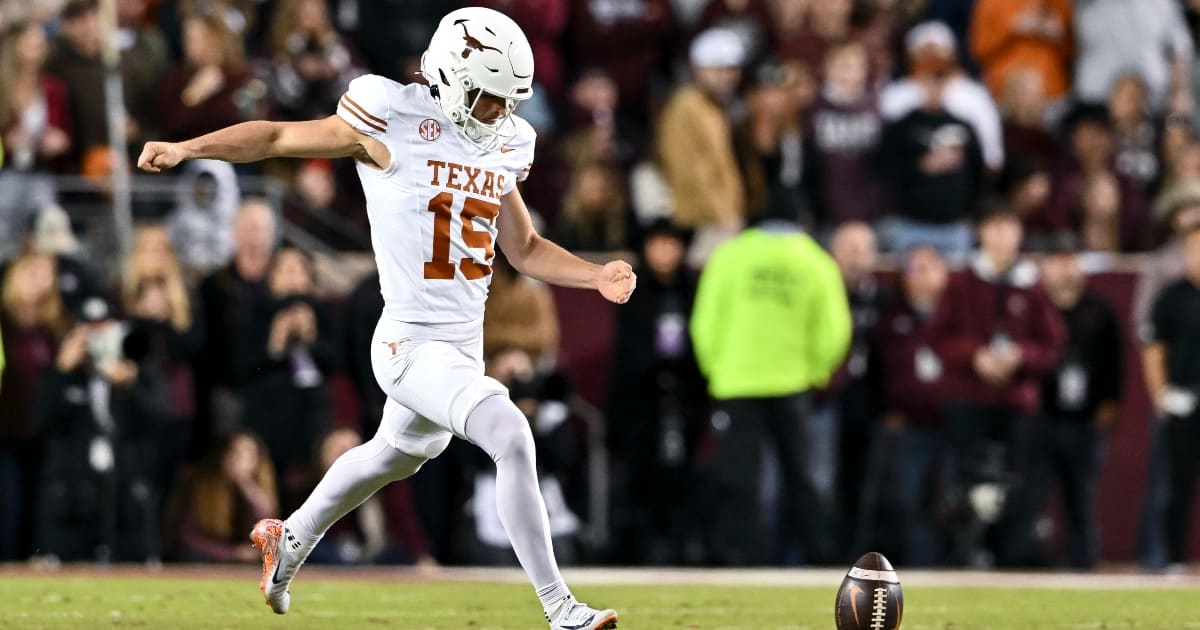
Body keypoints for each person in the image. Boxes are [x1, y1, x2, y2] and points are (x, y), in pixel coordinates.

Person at [137, 8, 631, 629]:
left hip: (460, 346)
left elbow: (524, 248)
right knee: (510, 433)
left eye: (508, 101)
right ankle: (561, 608)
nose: (500, 114)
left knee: (393, 454)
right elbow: (276, 138)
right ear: (452, 79)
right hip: (408, 342)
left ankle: (287, 540)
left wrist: (594, 275)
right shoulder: (390, 116)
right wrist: (188, 146)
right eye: (487, 99)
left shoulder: (508, 142)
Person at [689, 204, 851, 565]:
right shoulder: (815, 260)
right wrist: (815, 373)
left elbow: (704, 321)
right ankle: (816, 557)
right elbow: (835, 330)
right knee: (802, 478)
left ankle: (741, 557)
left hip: (735, 382)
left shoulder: (729, 255)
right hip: (792, 383)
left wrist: (716, 368)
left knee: (739, 478)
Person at [926, 205, 1066, 567]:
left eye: (1010, 227)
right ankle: (963, 552)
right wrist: (975, 357)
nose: (1004, 236)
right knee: (965, 481)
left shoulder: (1031, 285)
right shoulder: (961, 282)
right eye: (997, 226)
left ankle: (1012, 556)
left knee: (1016, 484)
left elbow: (1052, 345)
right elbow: (939, 337)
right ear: (982, 232)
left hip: (1015, 403)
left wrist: (1021, 356)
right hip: (968, 399)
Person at [1032, 235, 1123, 569]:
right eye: (1056, 260)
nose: (1064, 268)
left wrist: (1109, 406)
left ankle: (1083, 560)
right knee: (1035, 493)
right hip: (1042, 415)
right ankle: (1032, 559)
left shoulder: (1098, 310)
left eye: (1070, 259)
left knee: (1081, 495)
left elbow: (1114, 363)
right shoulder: (1034, 307)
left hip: (1084, 419)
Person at [1142, 225, 1200, 569]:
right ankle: (1172, 560)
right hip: (1184, 401)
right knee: (1176, 486)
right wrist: (1162, 396)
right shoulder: (1173, 296)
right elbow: (1153, 351)